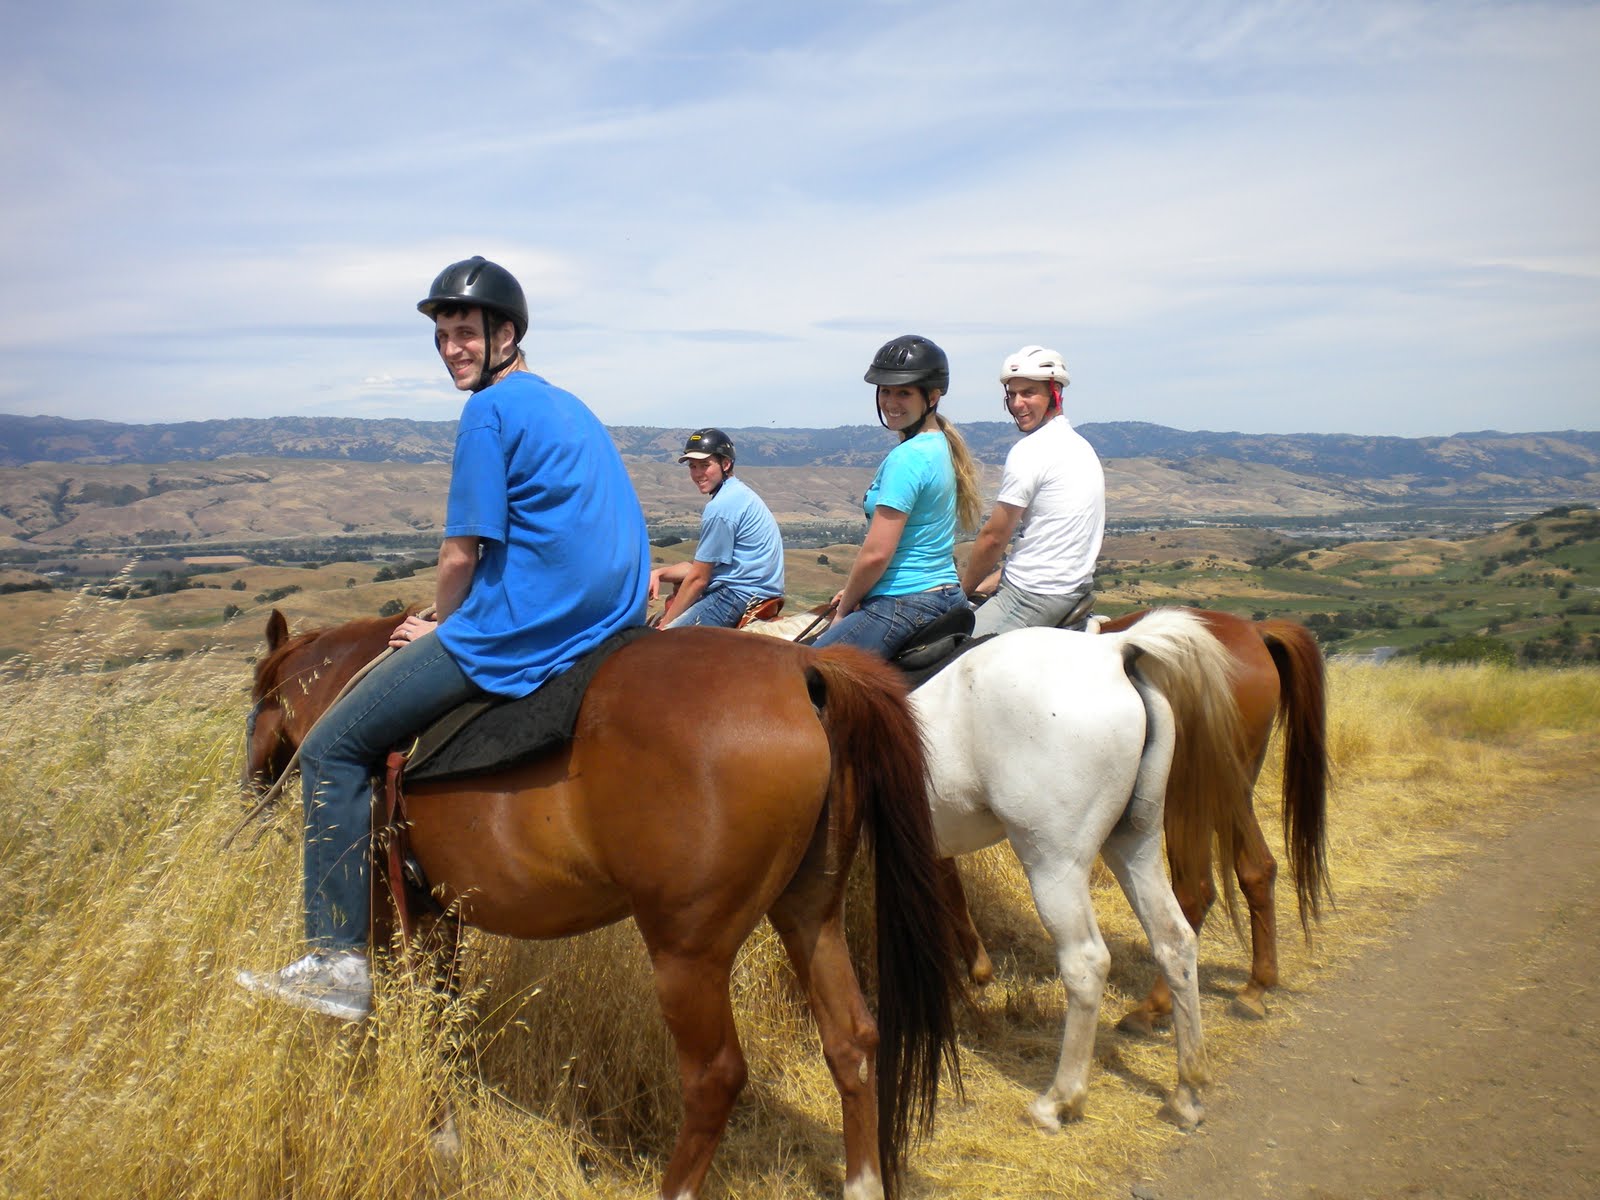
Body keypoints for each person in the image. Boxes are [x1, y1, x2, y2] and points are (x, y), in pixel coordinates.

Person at [238, 256, 650, 1020]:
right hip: (605, 619)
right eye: (443, 336)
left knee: (330, 750)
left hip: (522, 628)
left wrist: (442, 619)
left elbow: (461, 553)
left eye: (466, 332)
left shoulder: (489, 413)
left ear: (506, 334)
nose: (454, 348)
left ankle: (335, 963)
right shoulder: (568, 406)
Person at [812, 334, 982, 658]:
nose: (890, 401)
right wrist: (854, 589)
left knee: (806, 674)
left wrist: (844, 610)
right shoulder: (939, 445)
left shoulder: (908, 458)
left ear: (931, 397)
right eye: (885, 390)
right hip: (945, 594)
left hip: (905, 601)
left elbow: (877, 553)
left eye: (903, 392)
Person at [959, 344, 1105, 637]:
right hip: (1068, 587)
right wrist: (990, 583)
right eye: (1011, 394)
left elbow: (993, 538)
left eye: (1028, 393)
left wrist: (959, 595)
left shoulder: (1030, 451)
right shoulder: (1081, 447)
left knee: (950, 659)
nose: (1017, 404)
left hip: (1033, 596)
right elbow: (1047, 543)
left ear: (1054, 393)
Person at [650, 428, 786, 628]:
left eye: (705, 465)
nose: (697, 474)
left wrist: (665, 627)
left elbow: (698, 579)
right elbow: (700, 567)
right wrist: (660, 573)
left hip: (734, 597)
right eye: (692, 466)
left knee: (661, 645)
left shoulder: (721, 507)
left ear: (726, 463)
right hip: (757, 592)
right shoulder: (738, 493)